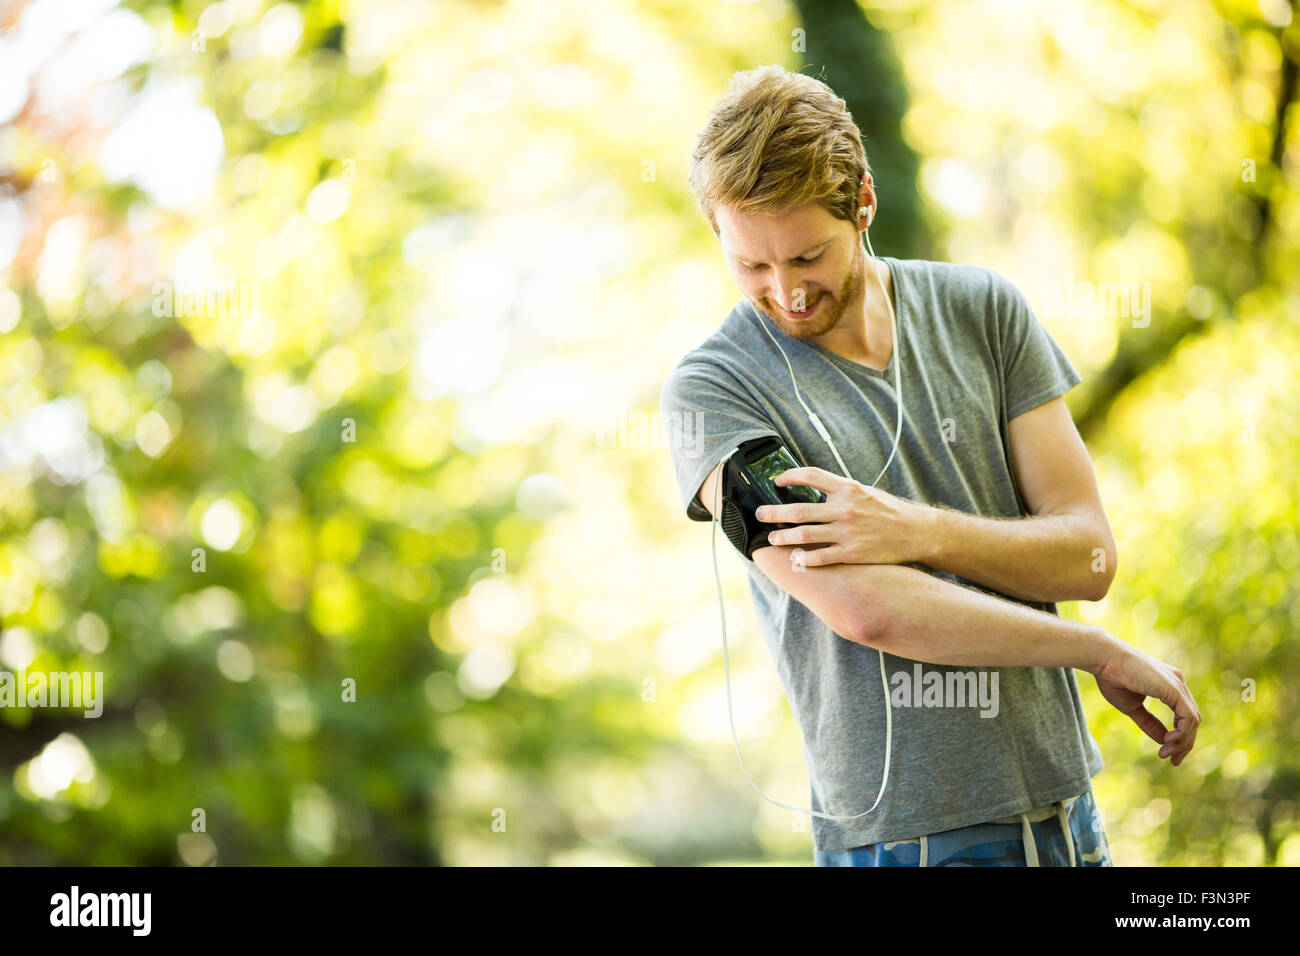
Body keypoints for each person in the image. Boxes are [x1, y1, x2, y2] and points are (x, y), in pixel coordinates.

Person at [658, 64, 1200, 867]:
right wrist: (1095, 652)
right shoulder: (716, 390)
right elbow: (866, 609)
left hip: (1065, 810)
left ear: (864, 202)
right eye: (752, 267)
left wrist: (913, 530)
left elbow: (1087, 556)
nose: (786, 292)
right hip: (907, 840)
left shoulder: (984, 311)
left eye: (808, 257)